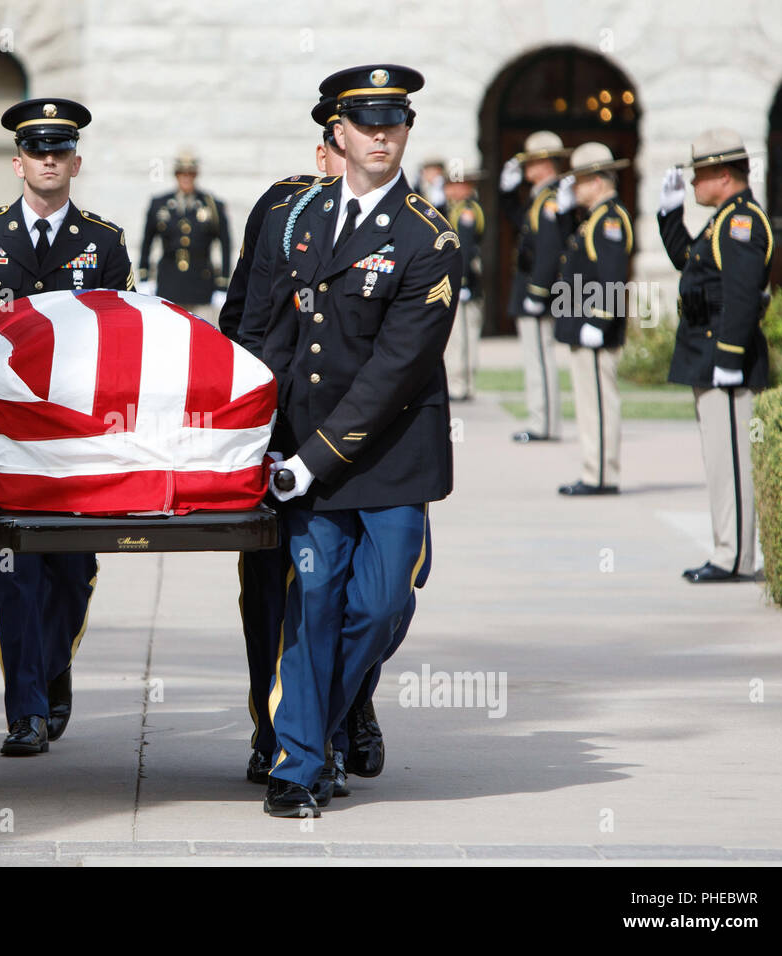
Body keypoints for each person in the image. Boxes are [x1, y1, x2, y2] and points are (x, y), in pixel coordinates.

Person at [239, 64, 460, 817]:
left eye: (394, 124)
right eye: (368, 125)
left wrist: (311, 460)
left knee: (379, 606)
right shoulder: (299, 220)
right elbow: (275, 333)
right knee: (314, 604)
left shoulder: (428, 237)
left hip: (389, 458)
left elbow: (397, 369)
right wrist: (243, 431)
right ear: (338, 132)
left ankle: (325, 726)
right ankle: (299, 763)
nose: (382, 137)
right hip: (305, 457)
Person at [0, 97, 133, 756]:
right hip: (5, 437)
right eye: (36, 151)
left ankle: (54, 665)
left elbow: (124, 338)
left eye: (58, 150)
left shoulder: (104, 241)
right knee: (15, 569)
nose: (48, 160)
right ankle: (27, 708)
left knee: (72, 571)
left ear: (75, 161)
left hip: (78, 439)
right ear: (17, 162)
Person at [658, 129, 772, 583]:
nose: (692, 185)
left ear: (723, 175)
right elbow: (688, 260)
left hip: (725, 357)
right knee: (719, 459)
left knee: (733, 462)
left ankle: (736, 556)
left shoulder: (740, 222)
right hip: (708, 353)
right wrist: (669, 216)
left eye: (698, 176)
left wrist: (728, 356)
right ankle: (730, 549)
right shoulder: (722, 219)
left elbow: (742, 296)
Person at [553, 143, 633, 496]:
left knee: (599, 403)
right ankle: (594, 469)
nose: (576, 189)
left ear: (598, 181)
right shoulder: (593, 218)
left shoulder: (609, 218)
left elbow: (612, 276)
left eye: (581, 181)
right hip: (584, 325)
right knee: (588, 403)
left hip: (595, 328)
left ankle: (601, 474)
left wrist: (598, 322)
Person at [500, 131, 574, 442]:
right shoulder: (540, 195)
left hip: (537, 290)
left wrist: (538, 292)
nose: (526, 169)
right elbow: (519, 221)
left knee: (540, 359)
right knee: (535, 358)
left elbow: (548, 248)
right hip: (531, 287)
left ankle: (544, 423)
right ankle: (540, 420)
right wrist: (507, 192)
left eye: (531, 163)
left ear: (545, 163)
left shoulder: (550, 198)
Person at [137, 151, 231, 322]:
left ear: (196, 175)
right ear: (176, 175)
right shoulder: (160, 204)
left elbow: (225, 244)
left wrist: (222, 285)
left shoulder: (212, 205)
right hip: (169, 282)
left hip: (201, 283)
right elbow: (147, 242)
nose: (186, 177)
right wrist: (144, 277)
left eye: (191, 173)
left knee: (202, 337)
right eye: (182, 173)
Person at [443, 169, 486, 400]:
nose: (448, 190)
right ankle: (458, 382)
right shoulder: (456, 208)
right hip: (460, 280)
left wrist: (463, 281)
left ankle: (463, 384)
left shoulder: (467, 211)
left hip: (466, 281)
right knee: (457, 336)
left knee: (464, 336)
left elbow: (466, 249)